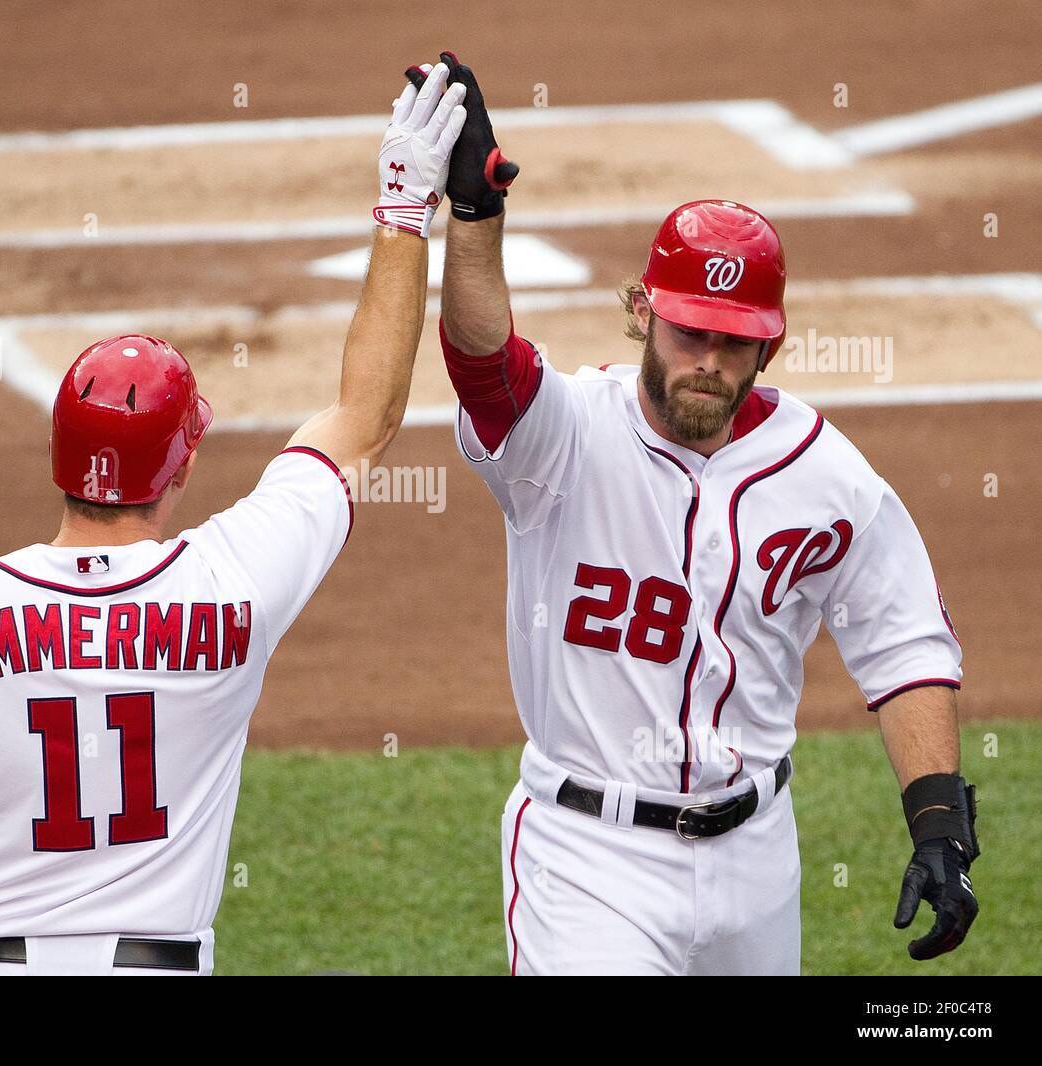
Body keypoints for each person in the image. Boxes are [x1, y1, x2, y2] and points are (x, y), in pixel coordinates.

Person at [0, 64, 466, 977]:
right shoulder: (235, 586)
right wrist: (402, 210)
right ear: (180, 466)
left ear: (58, 453)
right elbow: (364, 420)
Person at [413, 52, 979, 975]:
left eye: (734, 340)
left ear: (772, 343)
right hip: (591, 857)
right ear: (643, 312)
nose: (708, 359)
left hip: (758, 860)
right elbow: (483, 364)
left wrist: (940, 823)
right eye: (689, 332)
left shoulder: (826, 474)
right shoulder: (563, 436)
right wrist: (476, 219)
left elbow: (905, 641)